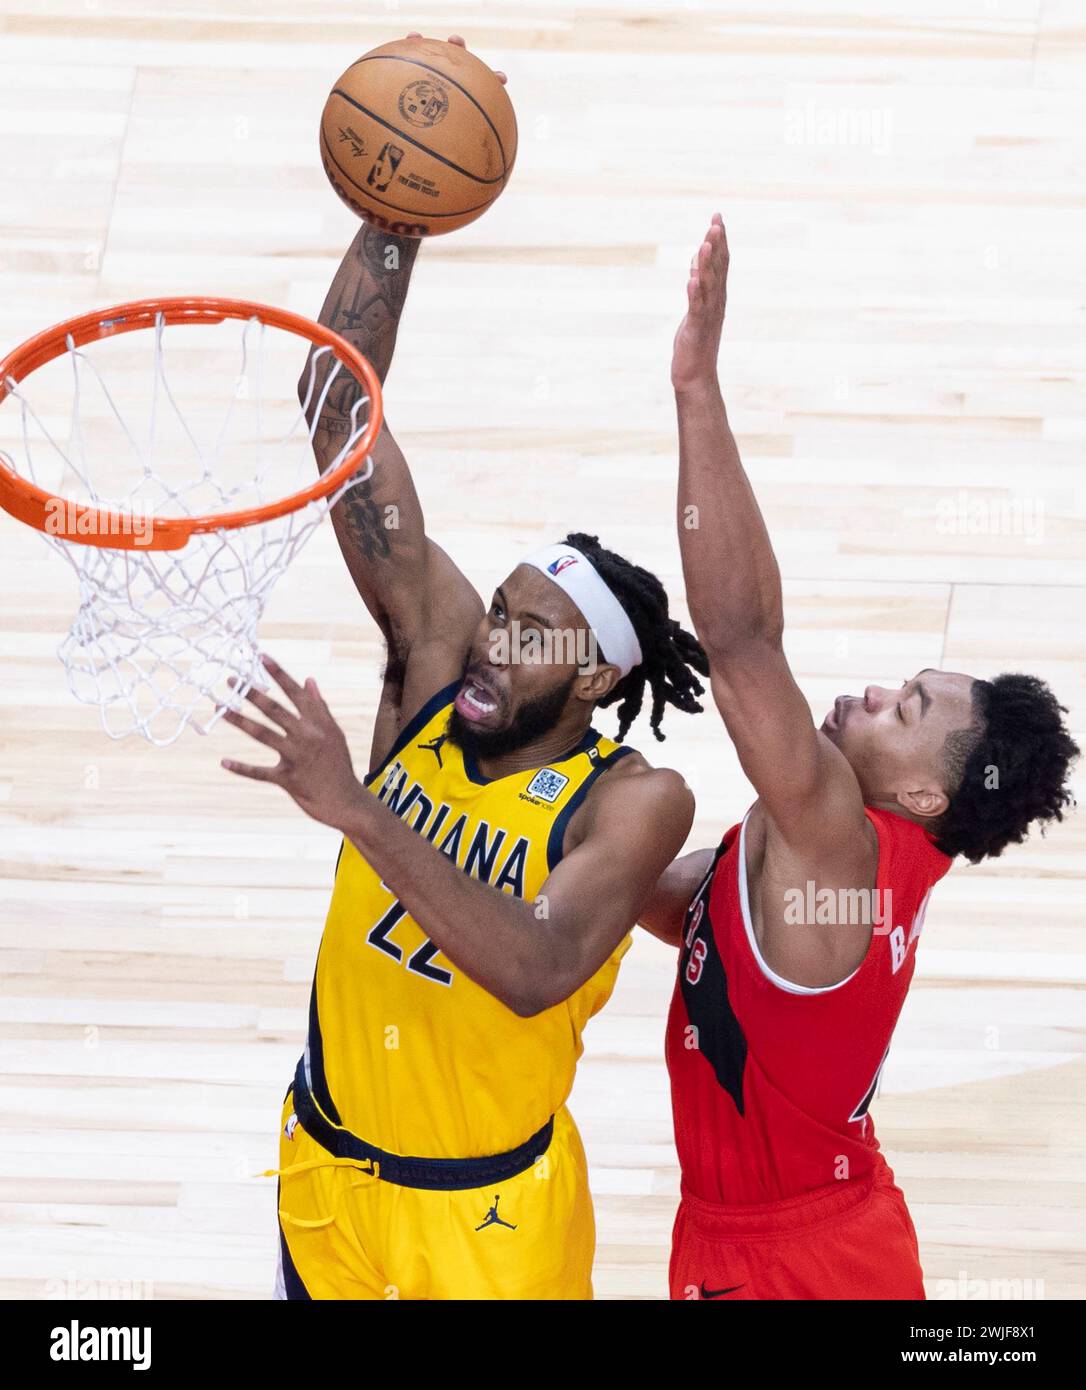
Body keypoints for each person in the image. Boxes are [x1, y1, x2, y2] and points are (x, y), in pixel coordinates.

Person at [220, 35, 708, 1303]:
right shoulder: (435, 669)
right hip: (326, 1180)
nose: (494, 638)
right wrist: (397, 223)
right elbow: (339, 418)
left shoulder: (630, 800)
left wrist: (356, 804)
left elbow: (540, 967)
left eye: (534, 631)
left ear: (598, 679)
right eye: (498, 609)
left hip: (486, 1228)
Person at [641, 213, 1079, 1301]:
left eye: (909, 704)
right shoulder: (842, 852)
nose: (877, 691)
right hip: (809, 1233)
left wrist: (698, 389)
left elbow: (741, 642)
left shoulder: (836, 843)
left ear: (927, 788)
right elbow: (681, 913)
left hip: (788, 1258)